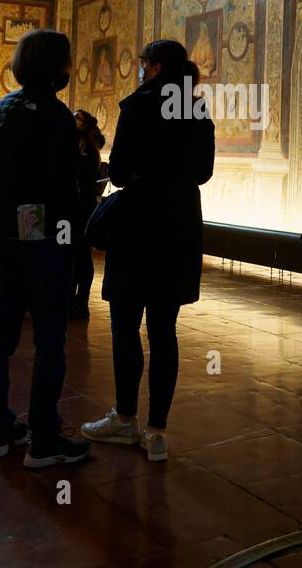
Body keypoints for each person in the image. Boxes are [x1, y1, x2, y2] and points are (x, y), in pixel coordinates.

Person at [82, 39, 215, 462]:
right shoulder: (197, 110)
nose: (141, 71)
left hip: (138, 222)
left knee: (125, 324)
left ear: (154, 68)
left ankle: (124, 420)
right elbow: (204, 173)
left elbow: (118, 171)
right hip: (179, 225)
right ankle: (157, 432)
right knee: (164, 329)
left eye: (143, 64)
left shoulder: (138, 105)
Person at [0, 29, 90, 467]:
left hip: (7, 229)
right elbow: (64, 185)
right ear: (55, 67)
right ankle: (43, 438)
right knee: (49, 337)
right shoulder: (57, 115)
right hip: (46, 231)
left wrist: (8, 213)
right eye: (65, 62)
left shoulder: (1, 109)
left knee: (1, 332)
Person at [70, 108, 106, 320]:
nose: (73, 120)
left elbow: (81, 179)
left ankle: (81, 302)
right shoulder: (77, 147)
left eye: (77, 117)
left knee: (81, 255)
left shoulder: (89, 152)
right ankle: (72, 299)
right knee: (73, 254)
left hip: (82, 209)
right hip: (74, 209)